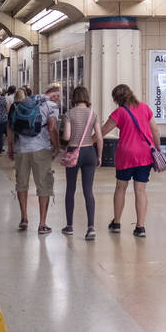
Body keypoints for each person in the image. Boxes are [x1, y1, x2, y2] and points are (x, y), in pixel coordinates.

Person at [100, 84, 160, 238]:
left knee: (121, 188)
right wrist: (157, 149)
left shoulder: (119, 112)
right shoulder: (145, 108)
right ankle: (140, 227)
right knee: (140, 190)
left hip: (125, 155)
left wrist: (86, 143)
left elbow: (103, 131)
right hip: (145, 155)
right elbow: (155, 130)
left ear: (117, 99)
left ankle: (117, 223)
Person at [7, 87, 60, 234]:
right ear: (54, 95)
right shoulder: (51, 106)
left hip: (21, 149)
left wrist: (10, 147)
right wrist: (56, 147)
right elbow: (51, 127)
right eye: (59, 95)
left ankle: (24, 217)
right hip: (40, 149)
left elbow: (11, 128)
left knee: (21, 184)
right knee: (43, 185)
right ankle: (42, 224)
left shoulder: (19, 104)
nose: (59, 98)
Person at [60, 86, 103, 240]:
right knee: (88, 190)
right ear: (86, 97)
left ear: (74, 97)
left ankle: (70, 226)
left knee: (70, 189)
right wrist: (99, 155)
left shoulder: (69, 113)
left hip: (74, 152)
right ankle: (91, 227)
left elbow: (66, 136)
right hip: (89, 152)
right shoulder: (93, 114)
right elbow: (99, 136)